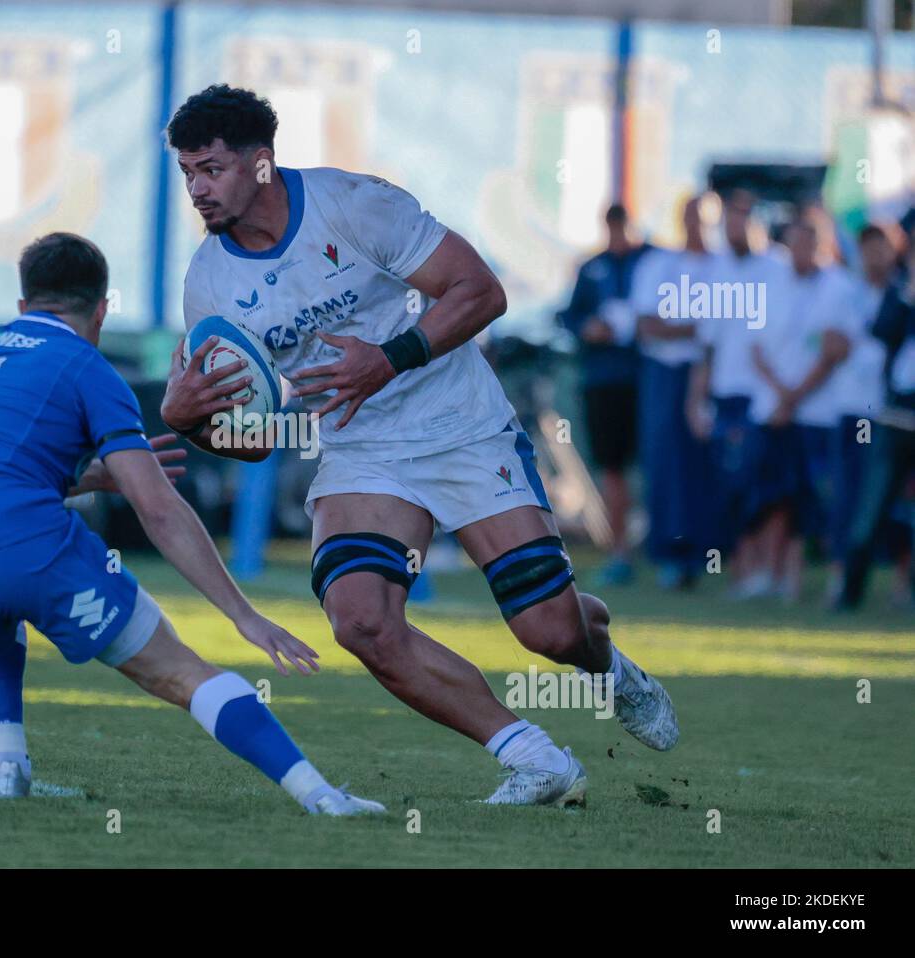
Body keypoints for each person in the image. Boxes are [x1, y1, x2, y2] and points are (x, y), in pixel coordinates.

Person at [160, 85, 678, 809]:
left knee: (551, 632)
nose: (197, 189)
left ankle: (611, 668)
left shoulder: (355, 204)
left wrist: (387, 357)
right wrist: (190, 419)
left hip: (459, 424)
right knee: (361, 619)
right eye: (187, 172)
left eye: (211, 169)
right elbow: (253, 442)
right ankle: (533, 757)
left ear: (262, 164)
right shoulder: (208, 284)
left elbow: (480, 291)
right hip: (360, 450)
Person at [0, 232, 383, 814]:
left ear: (23, 306)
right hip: (24, 553)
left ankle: (7, 764)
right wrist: (242, 615)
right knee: (180, 672)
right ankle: (320, 796)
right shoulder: (86, 365)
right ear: (101, 310)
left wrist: (84, 478)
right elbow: (159, 509)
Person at [744, 213, 850, 602]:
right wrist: (781, 395)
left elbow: (834, 350)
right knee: (771, 499)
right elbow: (756, 348)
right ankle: (766, 576)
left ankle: (800, 580)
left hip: (816, 414)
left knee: (812, 500)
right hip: (772, 411)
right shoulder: (770, 284)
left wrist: (795, 396)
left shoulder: (838, 286)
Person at [687, 189, 787, 596]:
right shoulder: (717, 271)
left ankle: (773, 570)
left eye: (744, 218)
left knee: (771, 487)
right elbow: (707, 346)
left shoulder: (778, 268)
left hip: (772, 396)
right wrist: (695, 401)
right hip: (730, 395)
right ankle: (745, 572)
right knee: (733, 487)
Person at [558, 203, 653, 586]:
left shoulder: (654, 262)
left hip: (646, 379)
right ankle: (620, 552)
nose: (617, 236)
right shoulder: (592, 267)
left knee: (656, 465)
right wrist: (589, 328)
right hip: (603, 381)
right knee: (612, 468)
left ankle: (672, 551)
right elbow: (569, 316)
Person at [631, 196, 718, 589]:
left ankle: (708, 553)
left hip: (715, 373)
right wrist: (698, 328)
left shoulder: (725, 267)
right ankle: (670, 552)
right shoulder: (660, 264)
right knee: (668, 463)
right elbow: (649, 324)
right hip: (667, 374)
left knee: (707, 464)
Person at [838, 222, 915, 609]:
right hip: (897, 414)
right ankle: (851, 591)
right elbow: (883, 332)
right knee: (871, 506)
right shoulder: (899, 291)